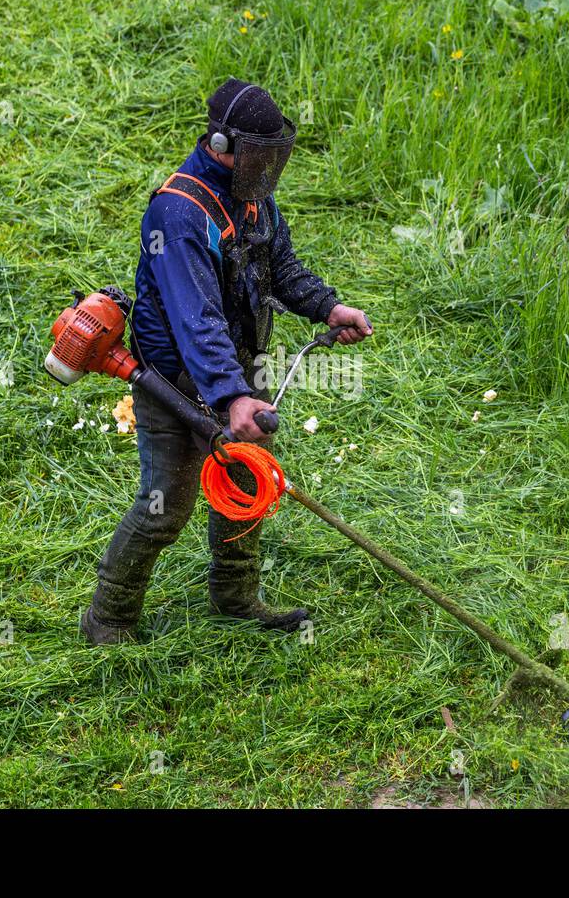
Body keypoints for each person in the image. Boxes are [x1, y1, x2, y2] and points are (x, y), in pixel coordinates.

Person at [81, 78, 373, 645]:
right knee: (166, 505)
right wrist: (232, 395)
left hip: (237, 376)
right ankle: (108, 617)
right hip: (176, 382)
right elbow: (197, 320)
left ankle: (236, 597)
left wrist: (328, 306)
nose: (268, 170)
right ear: (220, 142)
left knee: (245, 484)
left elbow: (283, 269)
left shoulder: (253, 200)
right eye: (258, 155)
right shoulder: (180, 214)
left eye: (275, 156)